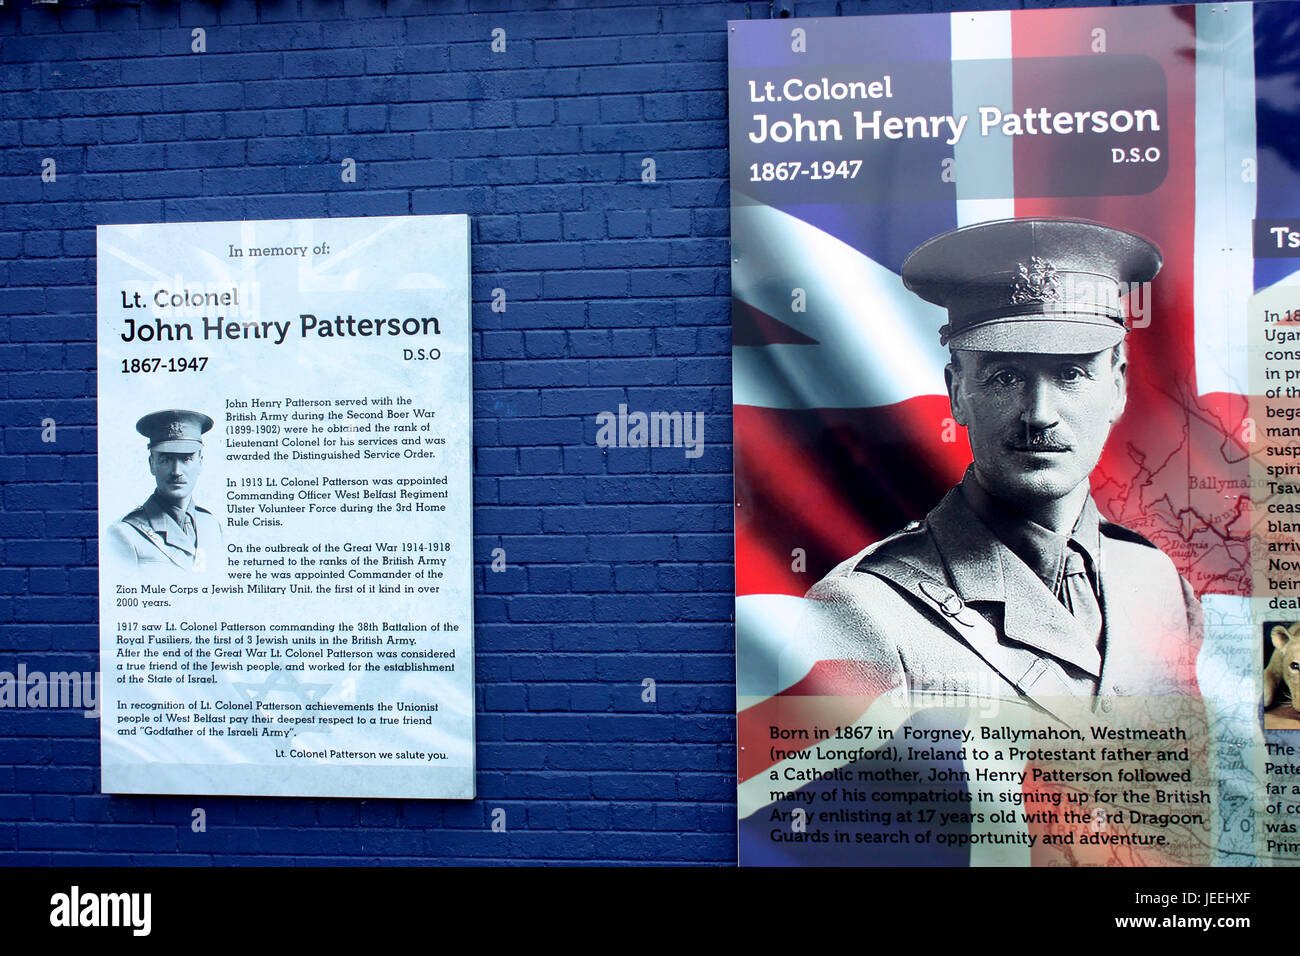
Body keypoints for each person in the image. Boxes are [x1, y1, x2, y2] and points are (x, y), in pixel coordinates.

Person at [804, 218, 1202, 719]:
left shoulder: (1156, 581)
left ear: (1117, 387)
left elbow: (1189, 785)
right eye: (1005, 376)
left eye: (1071, 373)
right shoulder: (865, 611)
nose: (1039, 413)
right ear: (957, 394)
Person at [106, 409, 223, 573]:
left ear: (200, 463)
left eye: (186, 458)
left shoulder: (211, 526)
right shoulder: (125, 534)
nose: (176, 471)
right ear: (151, 464)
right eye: (166, 459)